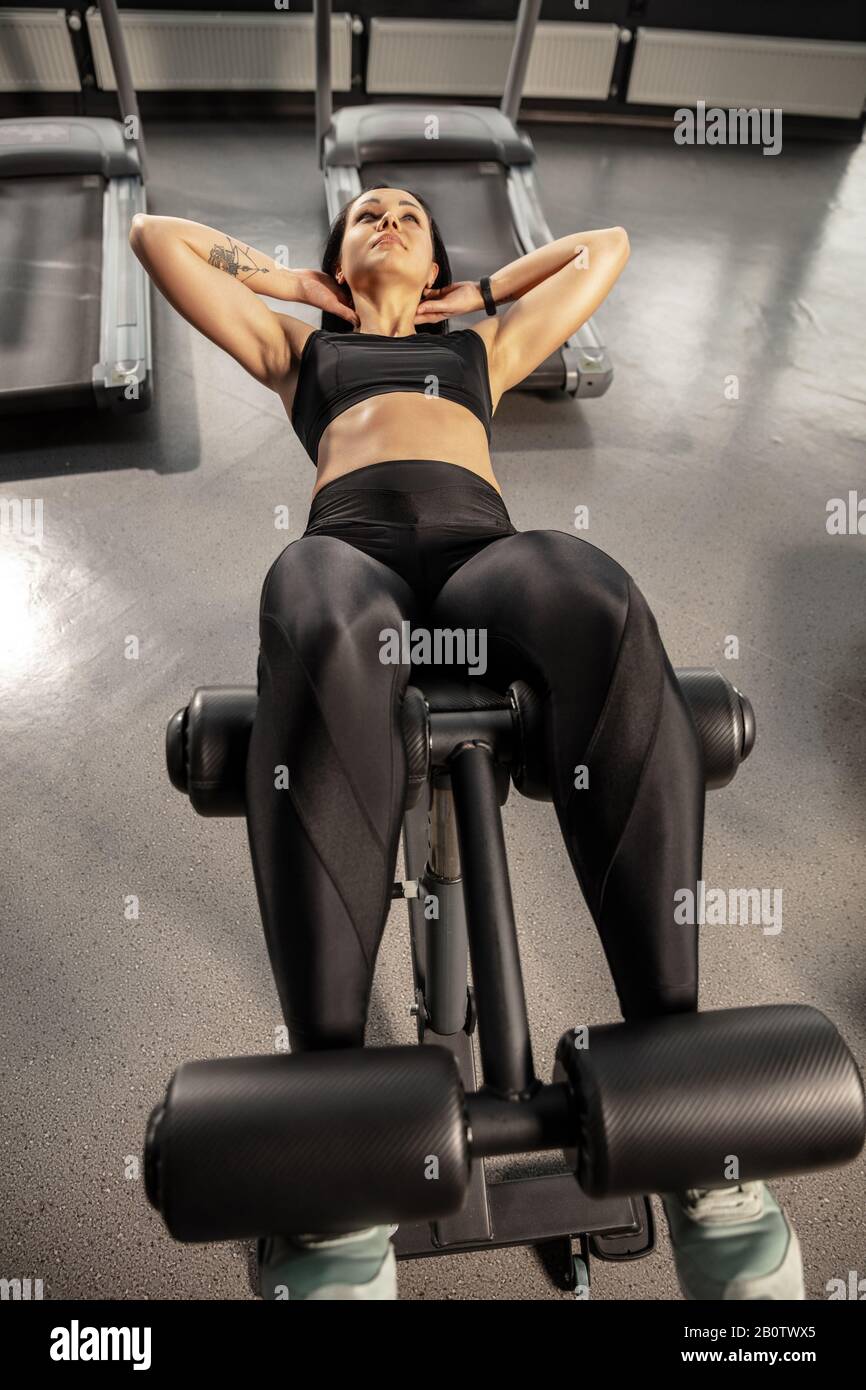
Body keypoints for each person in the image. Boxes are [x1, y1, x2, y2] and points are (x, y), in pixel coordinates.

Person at [130, 188, 803, 1302]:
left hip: (481, 560)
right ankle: (336, 1167)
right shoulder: (304, 351)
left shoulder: (479, 343)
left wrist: (479, 290)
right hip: (353, 555)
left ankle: (693, 1122)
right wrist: (304, 288)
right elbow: (160, 238)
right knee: (308, 602)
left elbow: (607, 246)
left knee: (594, 595)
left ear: (440, 258)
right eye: (364, 215)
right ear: (336, 259)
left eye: (408, 214)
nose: (388, 218)